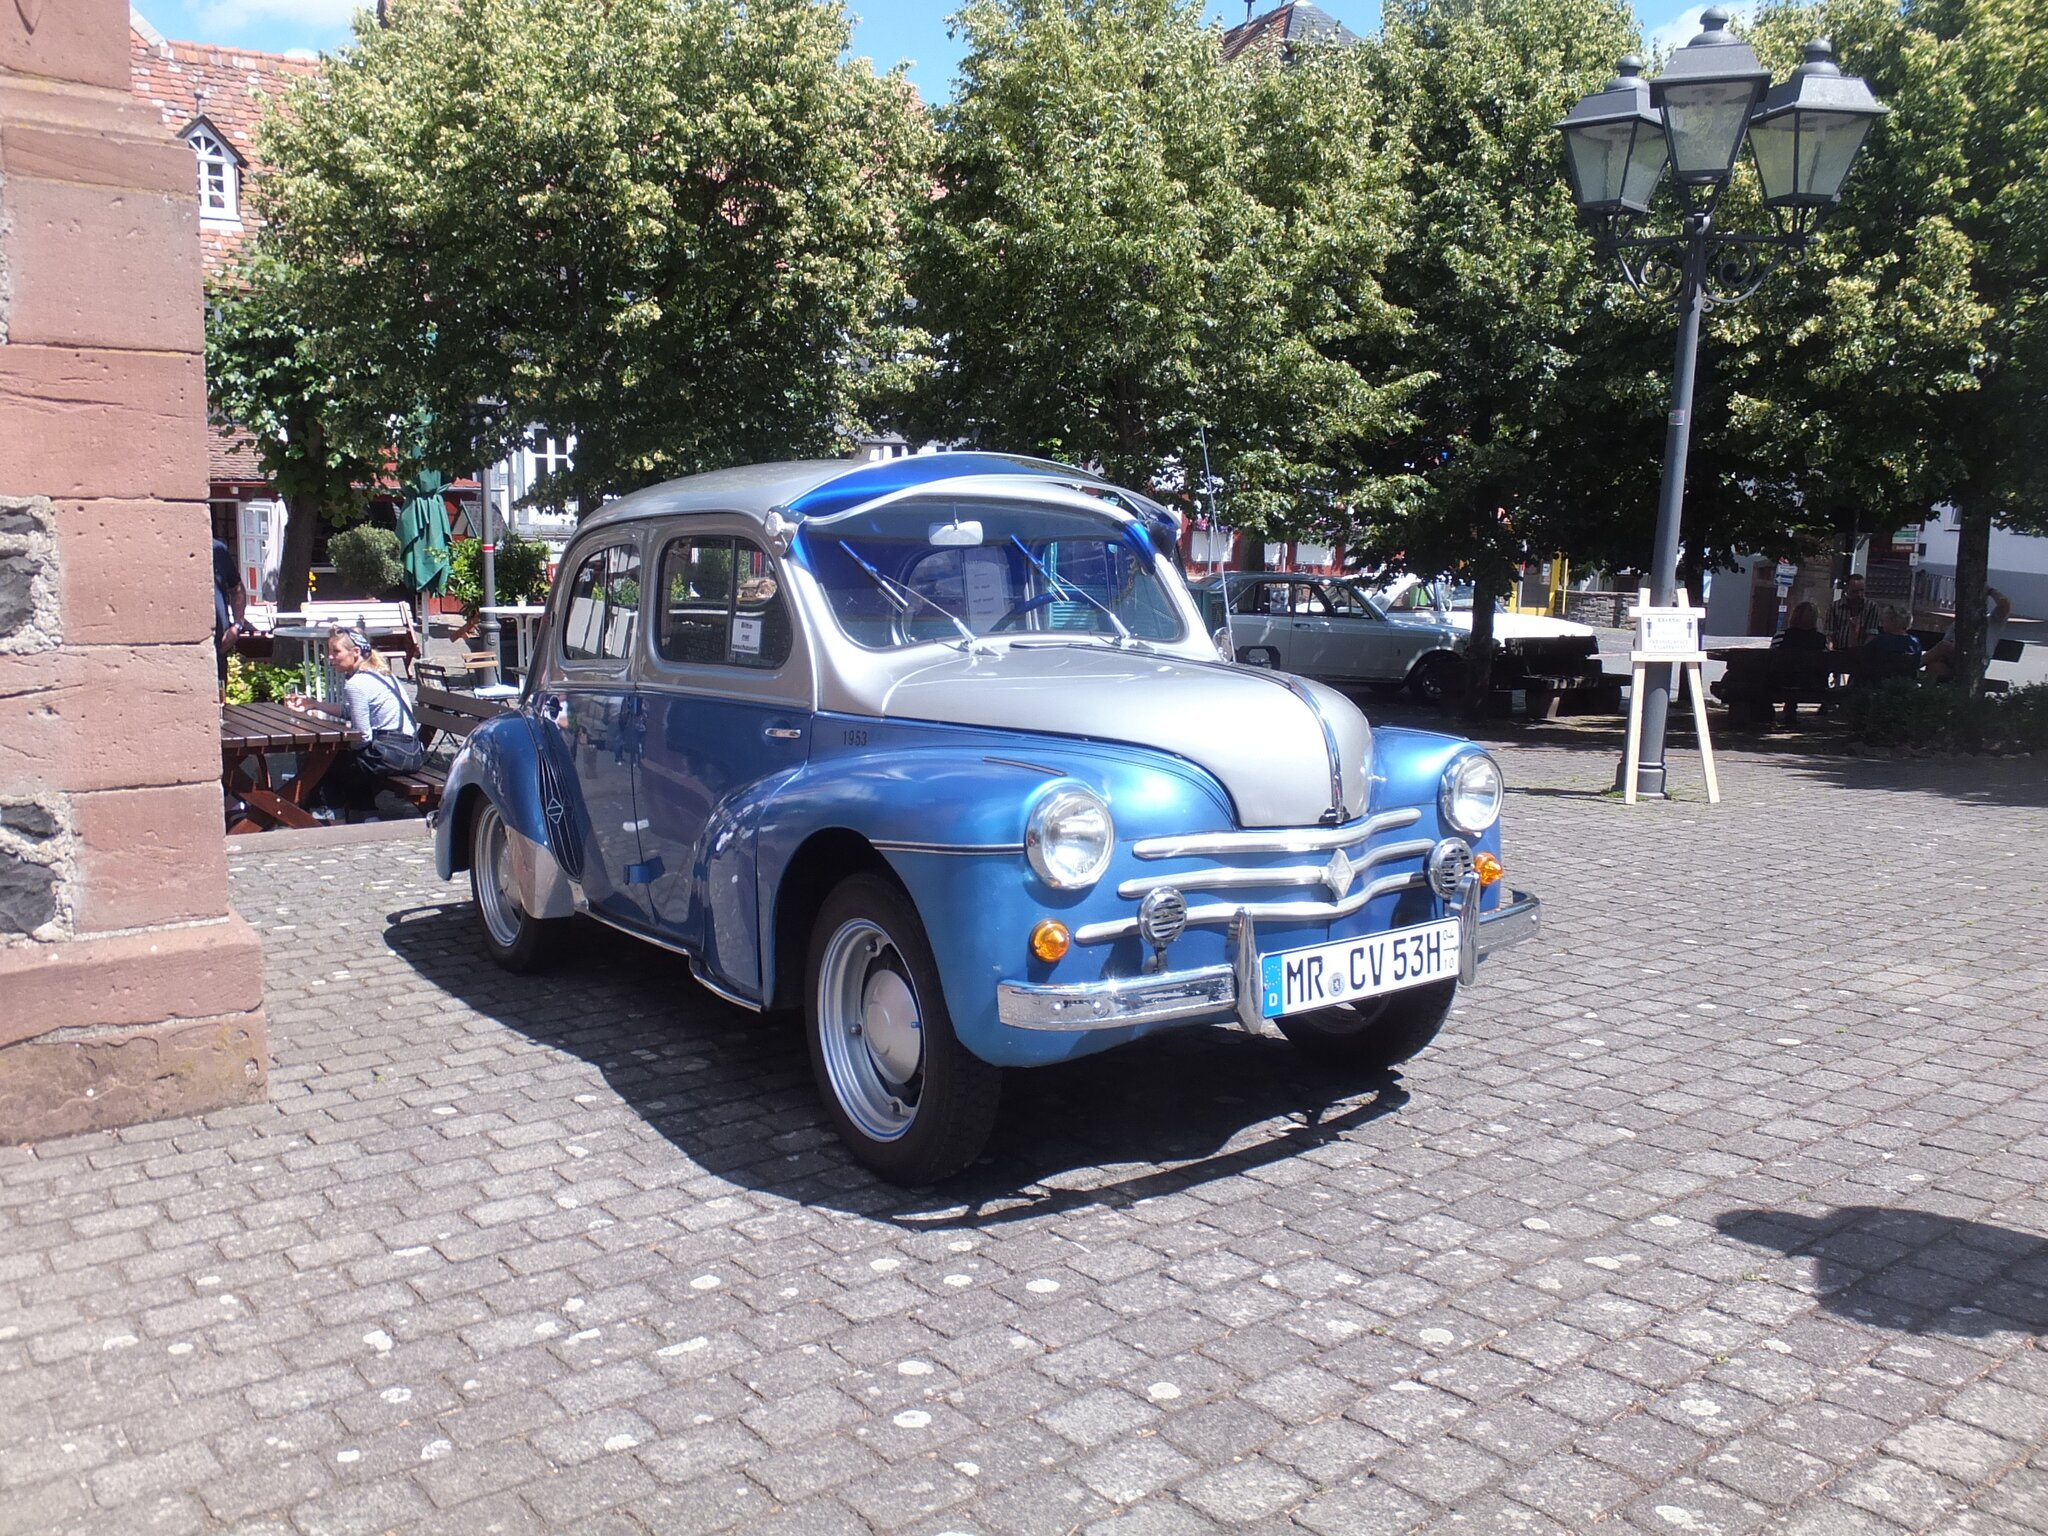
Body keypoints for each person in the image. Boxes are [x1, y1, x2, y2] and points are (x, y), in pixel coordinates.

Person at [284, 627, 424, 820]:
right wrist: (314, 704)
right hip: (410, 750)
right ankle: (366, 814)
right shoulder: (381, 673)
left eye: (336, 652)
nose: (329, 657)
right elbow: (353, 712)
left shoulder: (356, 684)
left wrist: (340, 746)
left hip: (390, 754)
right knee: (347, 759)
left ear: (355, 652)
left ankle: (333, 814)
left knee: (326, 760)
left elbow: (363, 736)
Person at [1924, 587, 2012, 683]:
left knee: (1944, 646)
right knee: (1934, 668)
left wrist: (1991, 591)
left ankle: (1912, 664)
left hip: (1976, 662)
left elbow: (2005, 605)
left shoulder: (1994, 621)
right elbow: (1948, 641)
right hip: (1954, 661)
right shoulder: (1959, 622)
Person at [1770, 601, 1827, 721]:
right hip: (1813, 684)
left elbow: (1771, 659)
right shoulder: (1821, 640)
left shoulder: (1781, 636)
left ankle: (1789, 706)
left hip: (1782, 683)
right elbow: (1826, 665)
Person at [212, 536, 247, 691]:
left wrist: (237, 626)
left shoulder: (217, 549)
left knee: (218, 703)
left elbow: (237, 588)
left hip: (218, 644)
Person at [1826, 573, 1879, 652]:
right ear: (1847, 589)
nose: (1859, 594)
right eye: (1855, 591)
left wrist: (1862, 651)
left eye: (1862, 590)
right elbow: (1829, 632)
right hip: (1838, 651)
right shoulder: (1835, 607)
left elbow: (1871, 633)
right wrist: (1831, 649)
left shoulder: (1871, 607)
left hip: (1861, 653)